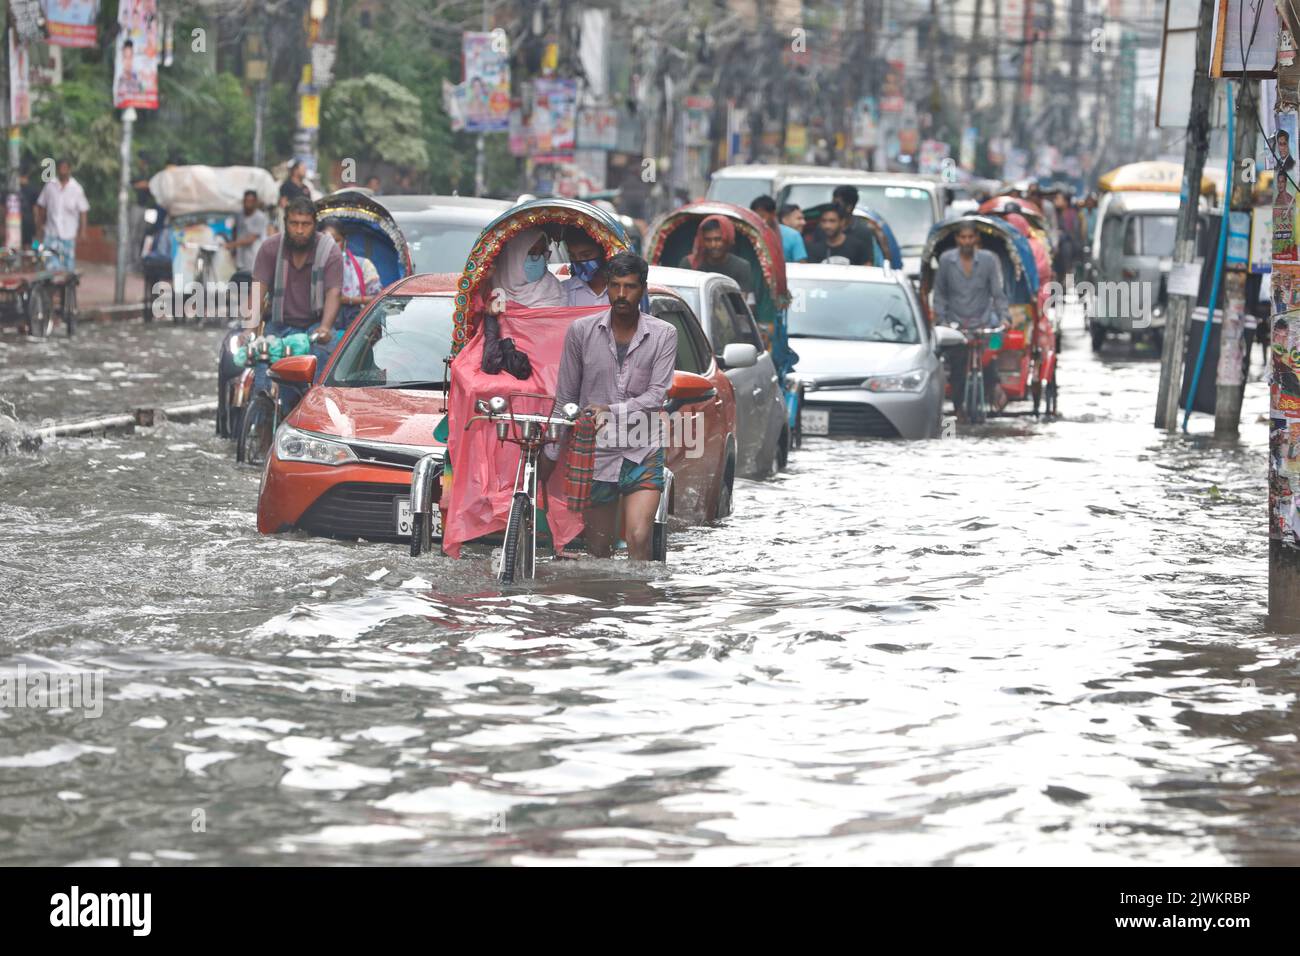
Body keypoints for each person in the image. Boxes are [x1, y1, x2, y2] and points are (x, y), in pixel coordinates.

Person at [542, 252, 677, 560]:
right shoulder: (581, 331)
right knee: (599, 551)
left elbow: (657, 395)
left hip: (642, 448)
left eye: (629, 287)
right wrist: (550, 453)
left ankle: (639, 605)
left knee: (639, 537)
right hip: (595, 451)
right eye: (614, 286)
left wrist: (609, 410)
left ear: (642, 288)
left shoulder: (663, 334)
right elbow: (565, 398)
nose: (621, 295)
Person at [251, 196, 343, 400]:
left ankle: (314, 406)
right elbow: (258, 289)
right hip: (279, 324)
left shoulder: (330, 251)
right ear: (285, 223)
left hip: (314, 326)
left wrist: (326, 327)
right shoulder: (270, 248)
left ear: (314, 225)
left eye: (305, 224)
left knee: (321, 371)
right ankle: (258, 417)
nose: (299, 230)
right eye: (294, 224)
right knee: (261, 361)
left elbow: (333, 292)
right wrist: (248, 329)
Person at [932, 223, 1010, 420]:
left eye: (970, 237)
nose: (966, 241)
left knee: (993, 348)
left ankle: (994, 386)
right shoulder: (946, 260)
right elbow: (940, 295)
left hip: (983, 320)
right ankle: (958, 409)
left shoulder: (988, 260)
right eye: (962, 238)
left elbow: (997, 293)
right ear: (957, 239)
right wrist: (941, 319)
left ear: (976, 239)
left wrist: (1004, 317)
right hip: (955, 322)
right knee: (956, 364)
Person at [320, 219, 382, 331]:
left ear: (345, 241)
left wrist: (348, 299)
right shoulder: (312, 268)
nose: (331, 246)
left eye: (336, 240)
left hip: (357, 329)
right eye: (326, 241)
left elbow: (378, 298)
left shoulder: (363, 265)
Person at [486, 227, 565, 313]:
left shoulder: (552, 287)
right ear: (513, 254)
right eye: (532, 252)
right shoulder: (491, 289)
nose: (540, 259)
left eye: (542, 252)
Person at [676, 215, 757, 296]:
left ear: (727, 239)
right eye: (708, 240)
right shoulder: (689, 264)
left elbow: (741, 301)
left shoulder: (741, 267)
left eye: (718, 239)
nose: (713, 245)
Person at [34, 159, 89, 272]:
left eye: (65, 168)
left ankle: (67, 289)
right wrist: (39, 227)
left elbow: (83, 211)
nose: (62, 171)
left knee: (68, 268)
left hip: (68, 234)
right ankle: (52, 288)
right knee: (50, 266)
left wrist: (83, 232)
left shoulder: (77, 189)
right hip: (51, 233)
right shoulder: (50, 186)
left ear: (69, 170)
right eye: (60, 168)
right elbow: (42, 207)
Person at [805, 204, 871, 265]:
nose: (827, 226)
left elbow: (868, 271)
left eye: (832, 221)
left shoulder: (858, 247)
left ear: (842, 222)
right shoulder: (814, 249)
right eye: (824, 221)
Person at [751, 195, 807, 264]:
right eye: (756, 217)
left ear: (773, 214)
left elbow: (801, 266)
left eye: (762, 216)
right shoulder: (747, 234)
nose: (759, 220)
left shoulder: (793, 236)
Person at [560, 225, 609, 306]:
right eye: (573, 256)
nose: (579, 260)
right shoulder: (564, 290)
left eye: (586, 255)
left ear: (603, 252)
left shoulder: (620, 288)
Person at [227, 190, 269, 275]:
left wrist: (232, 244)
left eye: (251, 201)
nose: (248, 204)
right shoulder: (239, 214)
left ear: (255, 202)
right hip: (241, 258)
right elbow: (235, 230)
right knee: (242, 283)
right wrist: (233, 250)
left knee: (256, 284)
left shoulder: (260, 217)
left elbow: (251, 239)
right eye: (246, 201)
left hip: (254, 258)